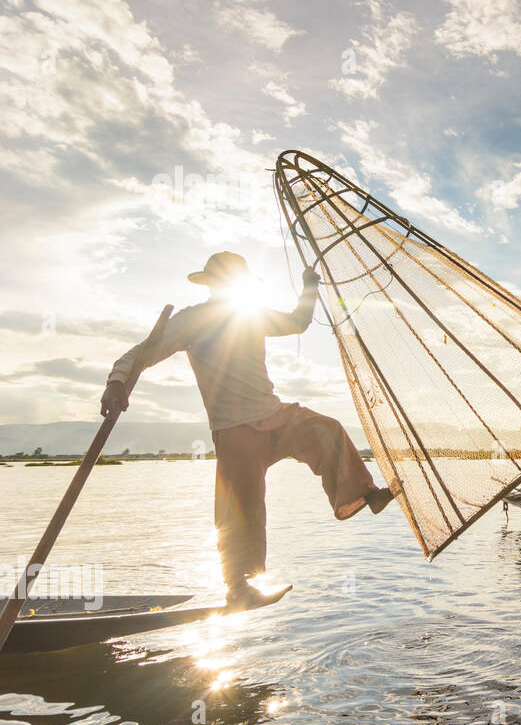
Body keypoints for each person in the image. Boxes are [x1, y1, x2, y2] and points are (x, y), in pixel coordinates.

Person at [100, 251, 394, 606]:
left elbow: (297, 322)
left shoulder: (250, 315)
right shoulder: (192, 320)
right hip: (234, 426)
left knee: (326, 430)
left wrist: (309, 287)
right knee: (242, 507)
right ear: (212, 285)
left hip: (274, 414)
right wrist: (117, 381)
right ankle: (239, 587)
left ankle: (364, 494)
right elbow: (143, 352)